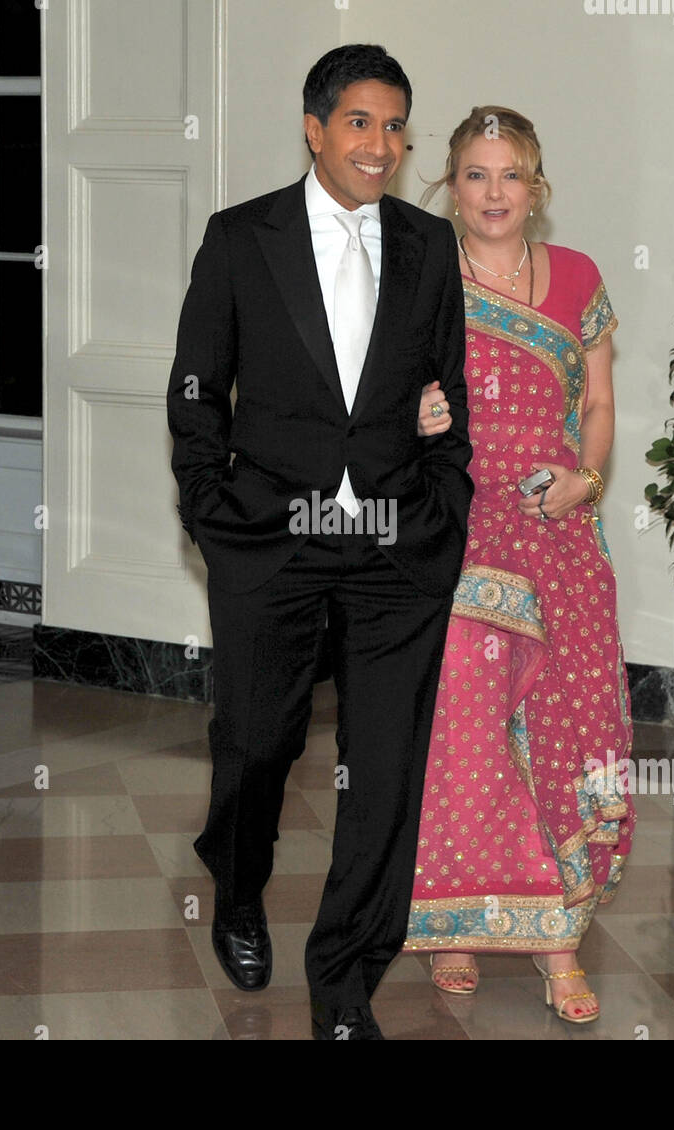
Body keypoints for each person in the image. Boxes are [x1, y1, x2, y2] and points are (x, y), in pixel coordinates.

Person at [166, 45, 473, 1041]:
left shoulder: (430, 246)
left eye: (394, 126)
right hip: (274, 536)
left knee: (382, 770)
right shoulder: (240, 237)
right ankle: (239, 878)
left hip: (395, 542)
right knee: (257, 744)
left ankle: (343, 984)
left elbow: (447, 398)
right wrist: (213, 510)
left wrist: (441, 499)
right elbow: (197, 390)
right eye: (358, 123)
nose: (378, 144)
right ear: (314, 127)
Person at [405, 107, 635, 1023]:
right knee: (462, 708)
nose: (493, 192)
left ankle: (556, 941)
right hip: (458, 517)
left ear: (535, 187)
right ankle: (454, 919)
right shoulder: (421, 273)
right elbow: (382, 389)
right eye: (474, 174)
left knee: (569, 723)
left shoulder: (577, 275)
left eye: (510, 175)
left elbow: (603, 403)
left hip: (557, 524)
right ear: (450, 185)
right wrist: (414, 411)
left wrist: (586, 480)